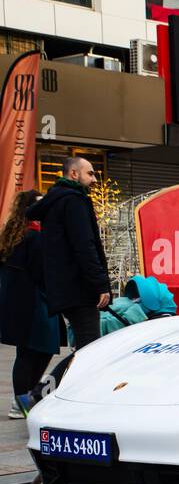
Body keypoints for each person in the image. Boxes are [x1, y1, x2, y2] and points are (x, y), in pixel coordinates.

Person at [26, 156, 110, 350]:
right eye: (89, 173)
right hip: (80, 288)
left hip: (65, 289)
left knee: (83, 344)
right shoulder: (74, 201)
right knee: (90, 347)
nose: (94, 180)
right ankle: (82, 381)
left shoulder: (55, 201)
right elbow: (84, 246)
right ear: (74, 174)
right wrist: (100, 284)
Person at [0, 189, 59, 417]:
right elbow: (42, 273)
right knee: (31, 352)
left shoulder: (16, 236)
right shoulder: (33, 237)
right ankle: (22, 401)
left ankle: (26, 398)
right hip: (34, 303)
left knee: (33, 351)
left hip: (23, 304)